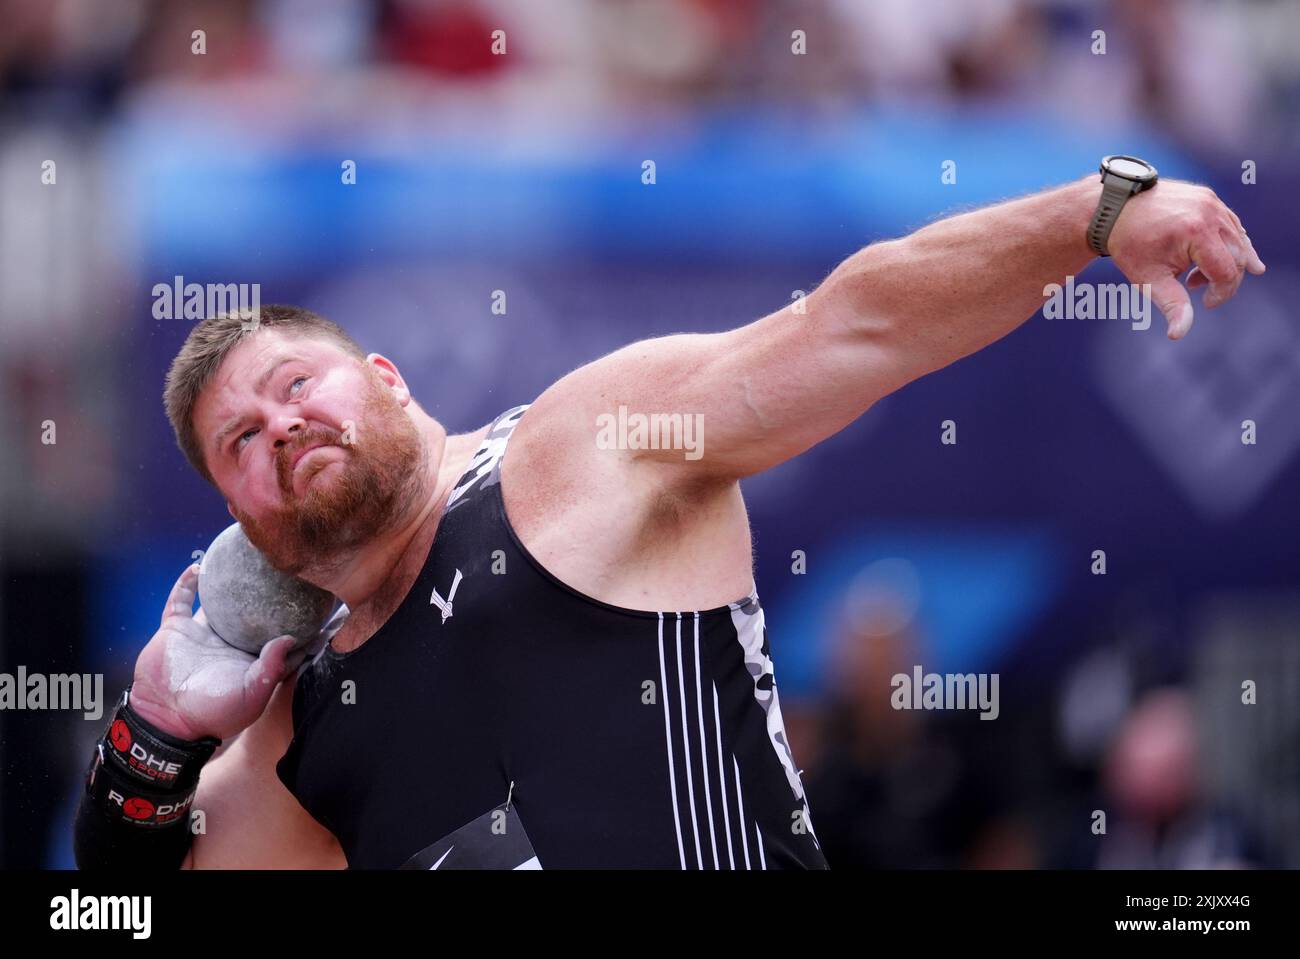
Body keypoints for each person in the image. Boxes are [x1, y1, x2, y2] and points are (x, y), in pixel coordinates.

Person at [74, 162, 1264, 869]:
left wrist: (1095, 211)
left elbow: (852, 323)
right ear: (234, 511)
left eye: (296, 386)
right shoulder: (305, 719)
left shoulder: (580, 444)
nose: (280, 427)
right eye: (241, 440)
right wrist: (159, 730)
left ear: (385, 376)